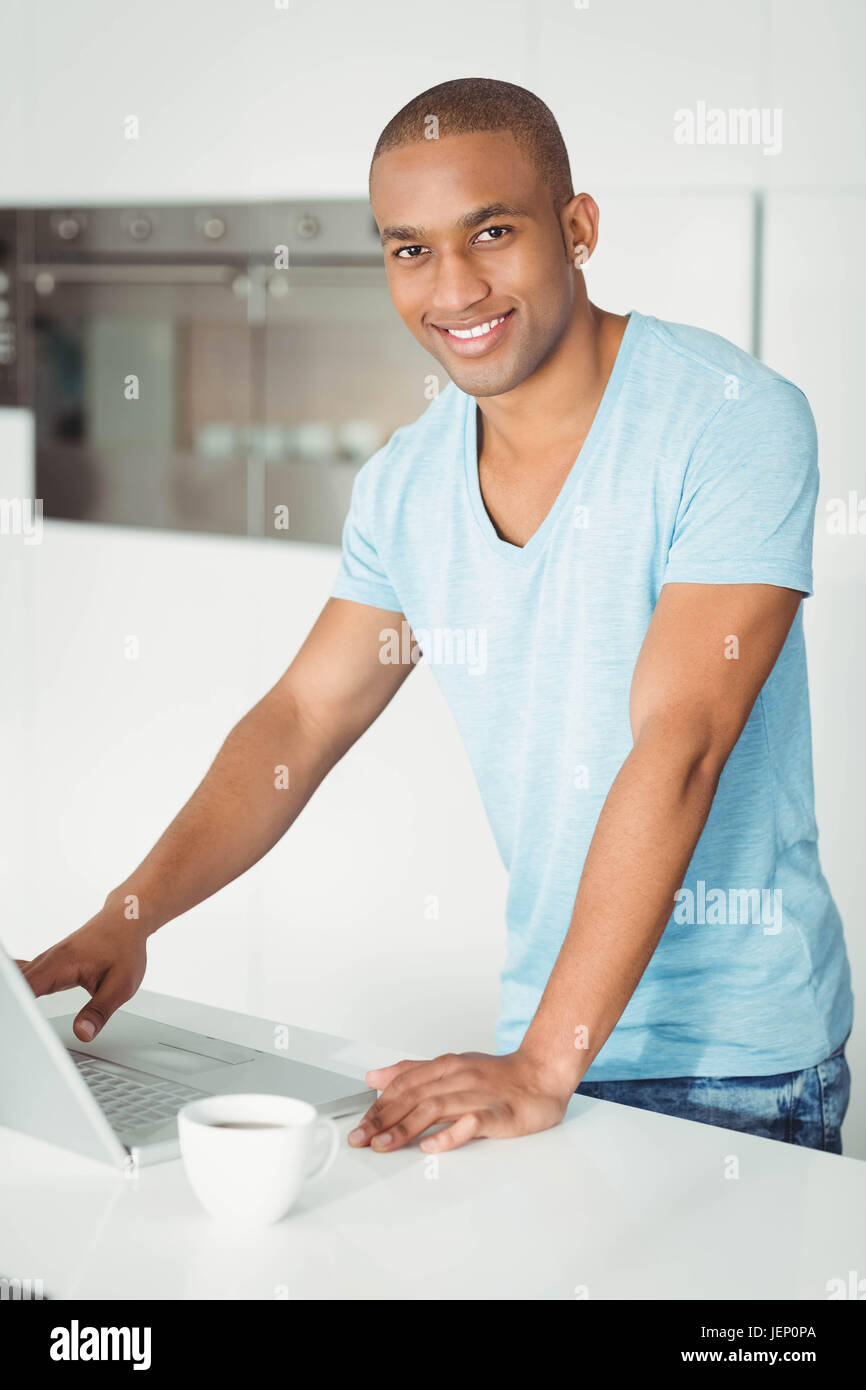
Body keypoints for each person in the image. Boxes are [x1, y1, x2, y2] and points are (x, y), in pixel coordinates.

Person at [18, 77, 853, 1156]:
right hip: (538, 1043)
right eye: (409, 249)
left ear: (577, 226)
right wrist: (126, 917)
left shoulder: (729, 420)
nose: (453, 287)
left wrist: (547, 1063)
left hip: (733, 1062)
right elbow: (301, 720)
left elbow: (681, 741)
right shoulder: (406, 484)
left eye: (491, 232)